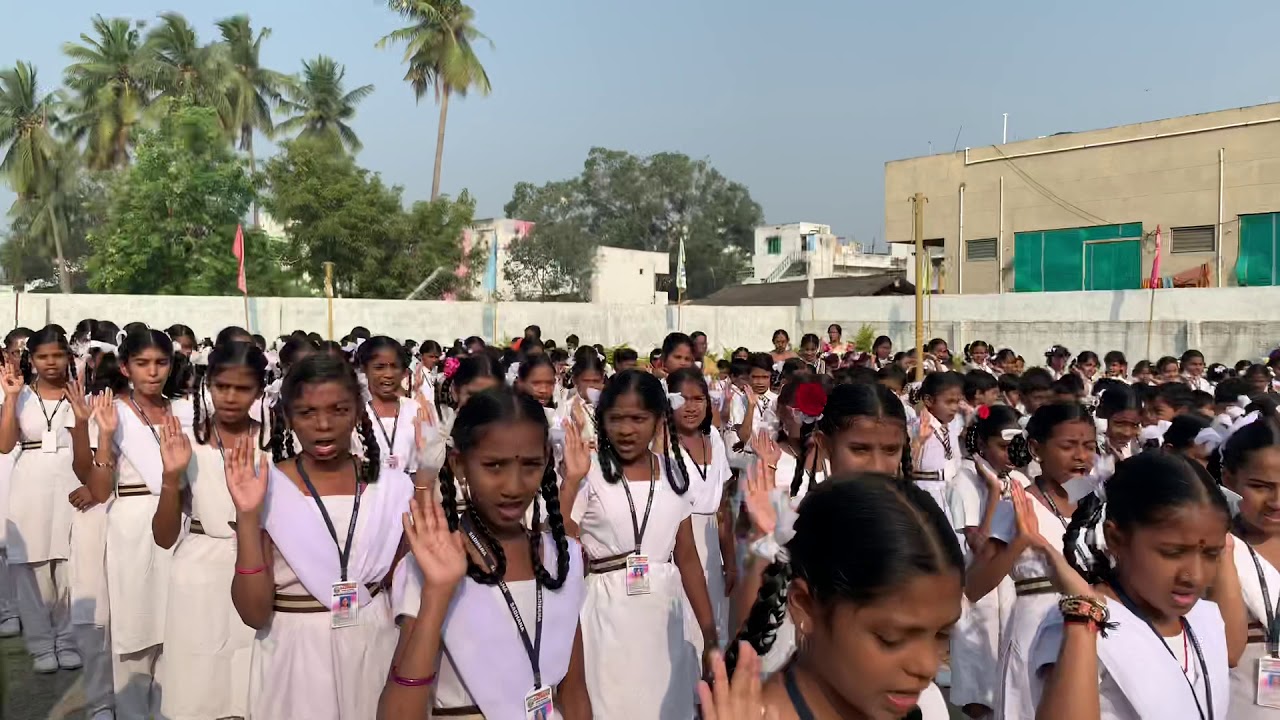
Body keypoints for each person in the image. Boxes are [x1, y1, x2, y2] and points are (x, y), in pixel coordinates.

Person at [382, 387, 590, 719]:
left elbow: (575, 693)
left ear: (548, 462)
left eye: (531, 465)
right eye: (494, 466)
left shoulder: (563, 558)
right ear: (460, 465)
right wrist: (438, 592)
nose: (513, 485)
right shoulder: (430, 564)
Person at [229, 354, 413, 719]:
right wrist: (249, 518)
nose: (324, 425)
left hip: (372, 646)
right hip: (294, 654)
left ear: (359, 411)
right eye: (307, 413)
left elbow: (402, 590)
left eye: (339, 410)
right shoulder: (264, 486)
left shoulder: (391, 488)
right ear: (288, 417)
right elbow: (252, 613)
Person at [729, 476, 962, 719]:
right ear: (805, 607)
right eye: (891, 638)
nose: (927, 666)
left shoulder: (931, 706)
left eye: (942, 635)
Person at [1031, 451, 1240, 719]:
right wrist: (1083, 616)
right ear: (1115, 539)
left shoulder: (1203, 615)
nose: (1194, 576)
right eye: (1172, 552)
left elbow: (1231, 652)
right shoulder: (1078, 625)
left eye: (1211, 554)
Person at [559, 370, 717, 719]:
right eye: (616, 419)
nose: (627, 430)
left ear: (659, 420)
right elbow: (561, 542)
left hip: (664, 614)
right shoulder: (589, 471)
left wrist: (709, 633)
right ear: (601, 421)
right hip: (606, 611)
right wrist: (570, 482)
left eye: (638, 419)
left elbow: (688, 558)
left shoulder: (675, 472)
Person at [77, 326, 195, 717]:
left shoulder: (186, 410)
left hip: (181, 519)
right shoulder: (111, 411)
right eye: (142, 363)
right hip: (131, 525)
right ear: (125, 368)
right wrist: (106, 436)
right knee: (136, 628)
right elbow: (96, 489)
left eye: (161, 363)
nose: (153, 372)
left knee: (177, 627)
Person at [152, 341, 266, 720]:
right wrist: (171, 477)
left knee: (254, 685)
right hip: (199, 570)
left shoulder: (276, 441)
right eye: (222, 386)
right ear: (207, 384)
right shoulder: (187, 443)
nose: (231, 397)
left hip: (259, 568)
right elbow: (164, 536)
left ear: (260, 389)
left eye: (243, 388)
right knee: (200, 687)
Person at [967, 403, 1096, 719]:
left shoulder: (1095, 500)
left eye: (1089, 446)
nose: (1080, 456)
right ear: (1037, 448)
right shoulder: (1019, 505)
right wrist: (1022, 541)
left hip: (1090, 621)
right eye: (1068, 446)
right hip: (1036, 625)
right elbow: (974, 586)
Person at [0, 327, 83, 674]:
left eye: (58, 355)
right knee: (33, 569)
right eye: (43, 356)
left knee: (70, 567)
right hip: (30, 483)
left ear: (68, 357)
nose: (51, 363)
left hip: (70, 479)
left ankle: (67, 640)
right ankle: (40, 644)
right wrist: (9, 397)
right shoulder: (21, 395)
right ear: (32, 360)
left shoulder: (82, 393)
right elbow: (5, 445)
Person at [949, 404, 1031, 718]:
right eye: (1002, 446)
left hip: (1013, 585)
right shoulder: (965, 480)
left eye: (1016, 447)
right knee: (978, 668)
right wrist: (994, 495)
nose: (1011, 454)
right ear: (981, 443)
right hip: (979, 586)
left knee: (1010, 669)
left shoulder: (1019, 481)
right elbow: (980, 547)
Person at [1217, 400, 1280, 718]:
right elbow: (1228, 649)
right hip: (1238, 704)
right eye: (1260, 487)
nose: (1276, 502)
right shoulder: (1212, 548)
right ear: (1229, 479)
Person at [668, 368, 734, 656]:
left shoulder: (716, 440)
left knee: (714, 629)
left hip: (711, 548)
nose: (691, 407)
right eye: (683, 399)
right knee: (685, 634)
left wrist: (730, 559)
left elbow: (722, 508)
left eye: (699, 399)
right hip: (679, 545)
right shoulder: (661, 447)